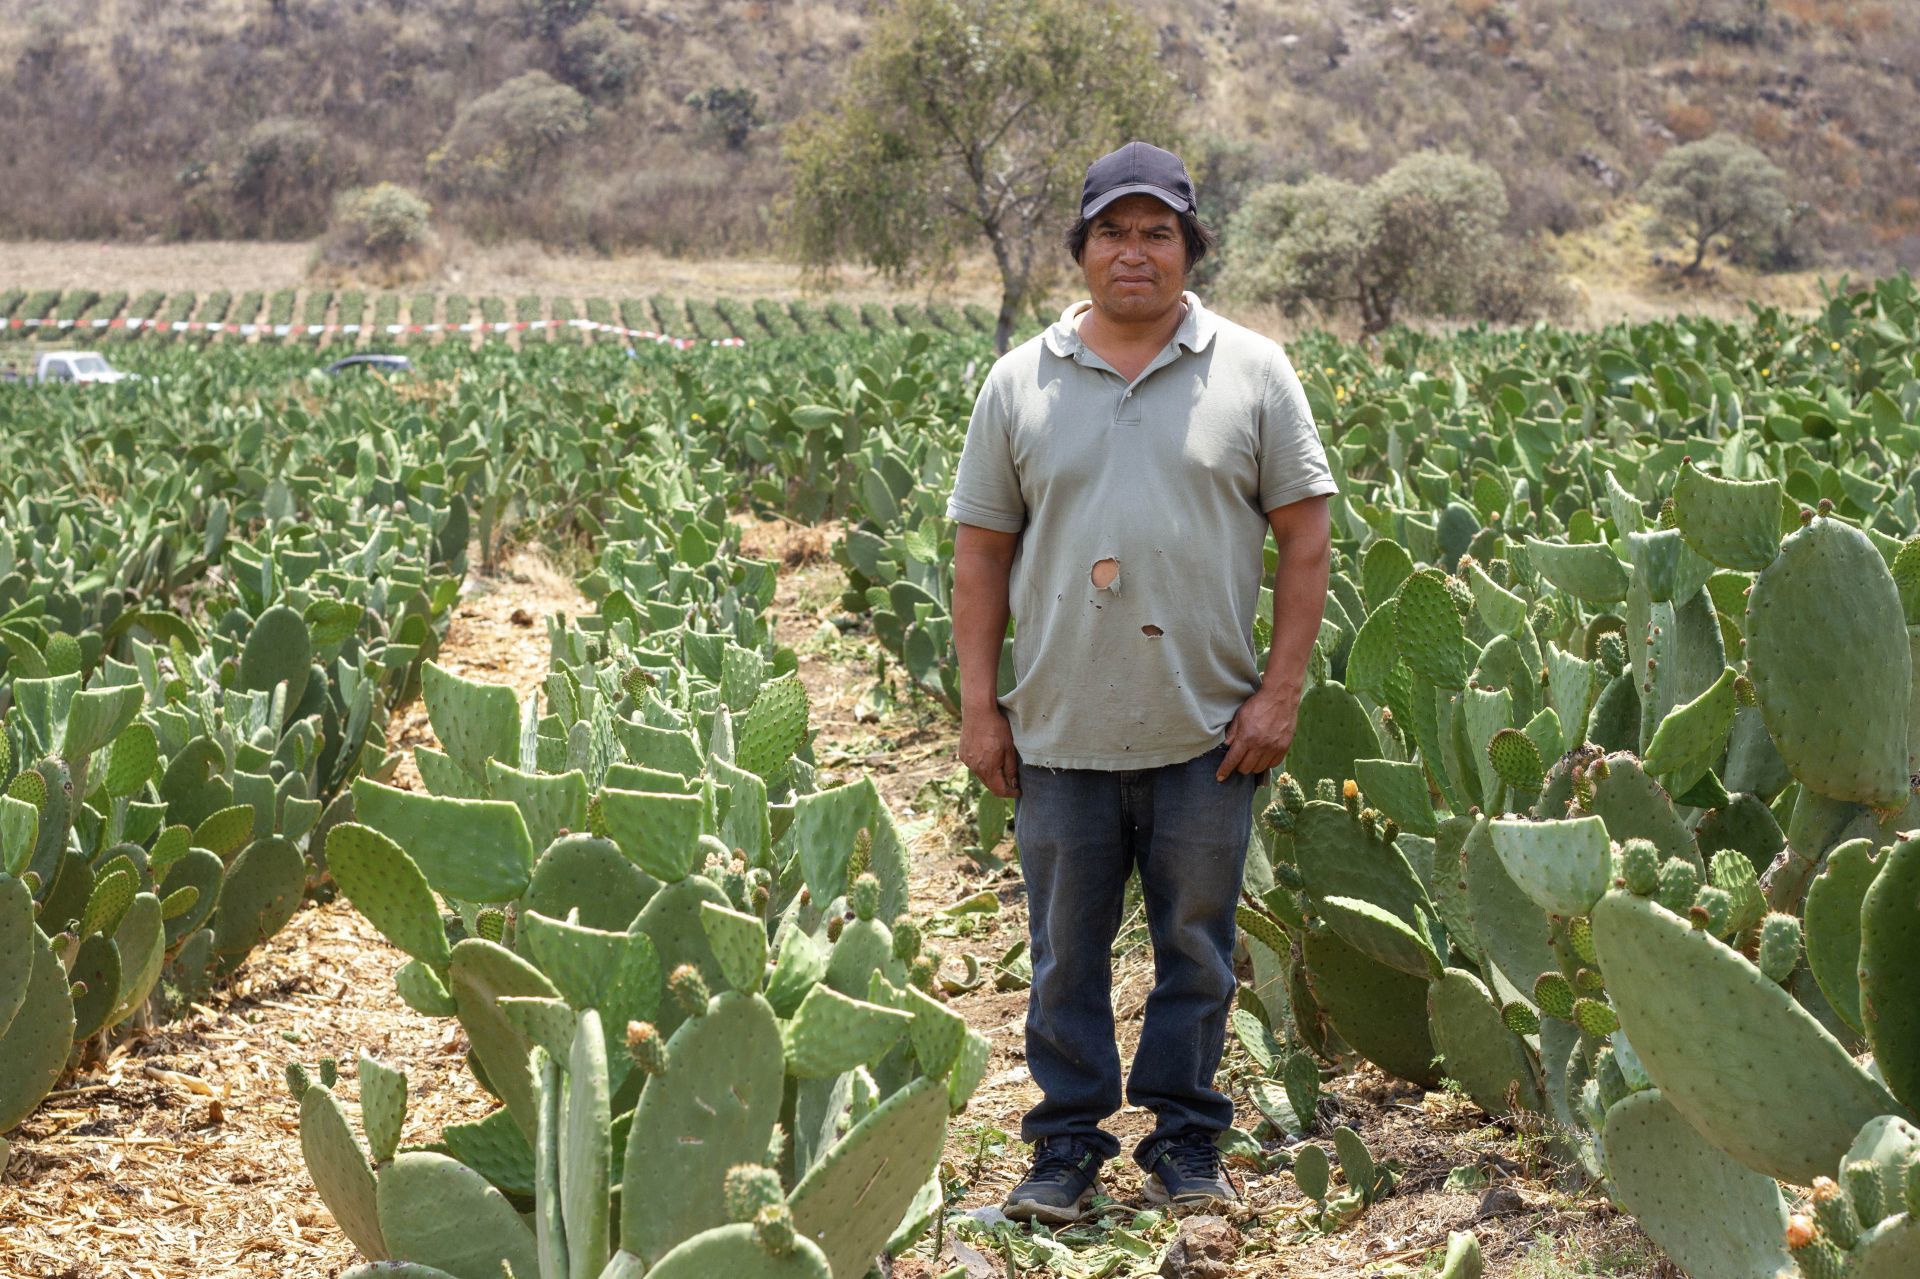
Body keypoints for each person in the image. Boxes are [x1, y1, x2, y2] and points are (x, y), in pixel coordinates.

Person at [946, 140, 1335, 1222]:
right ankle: (1064, 1148)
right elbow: (980, 554)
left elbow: (1307, 538)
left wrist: (1282, 692)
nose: (1133, 252)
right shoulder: (1019, 379)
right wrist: (981, 708)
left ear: (1189, 248)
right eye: (1111, 231)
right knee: (1064, 953)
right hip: (1059, 725)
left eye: (1156, 231)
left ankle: (1184, 1146)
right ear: (1079, 249)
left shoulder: (1253, 370)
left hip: (1209, 729)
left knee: (1197, 950)